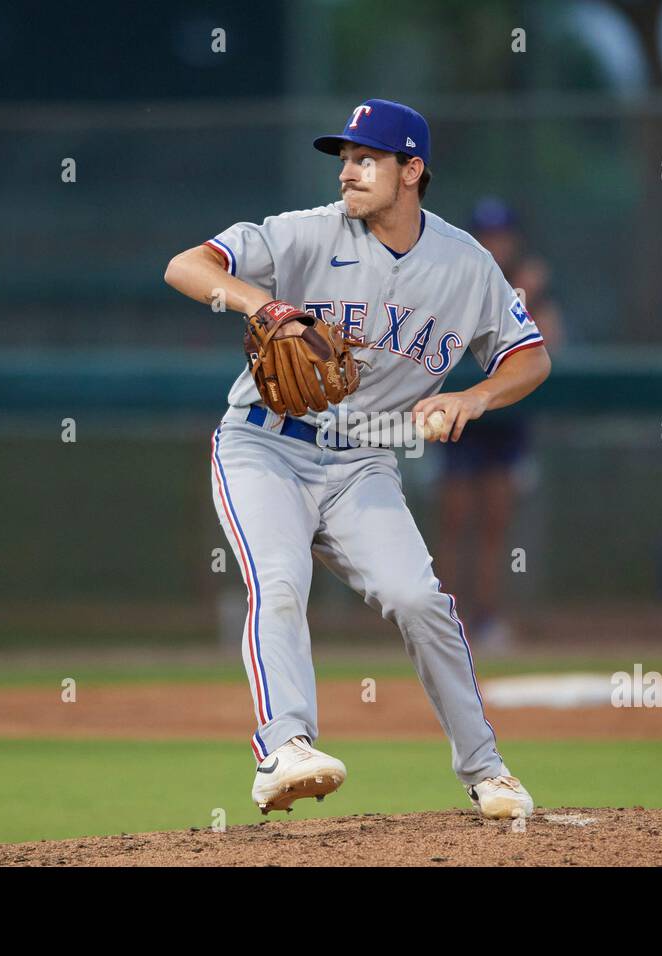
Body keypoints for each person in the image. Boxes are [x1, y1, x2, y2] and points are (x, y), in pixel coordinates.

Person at [164, 99, 550, 819]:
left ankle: (488, 772)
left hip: (366, 463)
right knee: (279, 581)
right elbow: (187, 266)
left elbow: (530, 358)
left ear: (412, 170)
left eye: (366, 158)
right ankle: (286, 749)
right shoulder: (305, 234)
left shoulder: (466, 265)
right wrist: (262, 306)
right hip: (263, 446)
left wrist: (475, 397)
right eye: (344, 158)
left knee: (420, 602)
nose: (348, 171)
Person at [435, 199, 563, 652]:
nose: (495, 244)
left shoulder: (529, 285)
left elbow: (546, 350)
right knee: (454, 518)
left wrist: (527, 299)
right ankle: (448, 621)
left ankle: (487, 618)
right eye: (486, 236)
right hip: (459, 413)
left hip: (505, 414)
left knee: (494, 521)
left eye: (501, 235)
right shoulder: (457, 279)